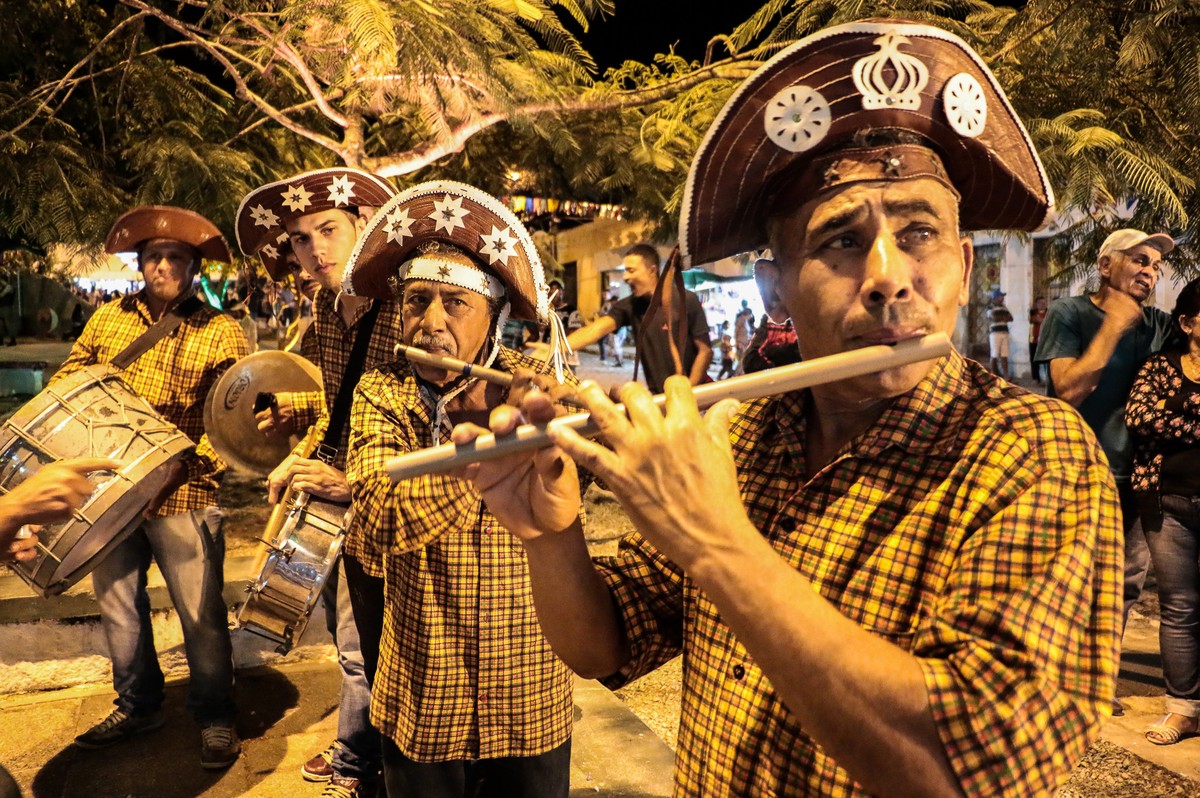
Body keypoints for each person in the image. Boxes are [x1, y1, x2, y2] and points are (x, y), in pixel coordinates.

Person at [458, 20, 1120, 796]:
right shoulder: (746, 436)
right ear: (778, 287)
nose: (888, 277)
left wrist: (715, 541)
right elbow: (607, 643)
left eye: (919, 233)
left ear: (964, 265)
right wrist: (552, 533)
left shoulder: (1033, 451)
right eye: (841, 240)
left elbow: (957, 771)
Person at [342, 180, 576, 797]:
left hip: (528, 689)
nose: (431, 323)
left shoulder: (534, 390)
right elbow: (376, 516)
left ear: (495, 316)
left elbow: (600, 484)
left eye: (456, 304)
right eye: (417, 302)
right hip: (424, 691)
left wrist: (580, 433)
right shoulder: (381, 392)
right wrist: (484, 449)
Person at [62, 206, 250, 769]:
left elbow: (233, 414)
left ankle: (215, 716)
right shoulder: (107, 320)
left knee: (201, 614)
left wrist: (198, 466)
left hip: (184, 494)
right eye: (154, 257)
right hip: (112, 491)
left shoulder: (220, 329)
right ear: (140, 263)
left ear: (193, 267)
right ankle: (138, 704)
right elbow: (71, 375)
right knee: (118, 606)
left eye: (175, 258)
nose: (163, 265)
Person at [236, 166, 399, 798]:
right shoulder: (328, 307)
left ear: (364, 225)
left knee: (371, 640)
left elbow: (430, 419)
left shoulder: (408, 300)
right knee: (349, 632)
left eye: (328, 229)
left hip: (391, 498)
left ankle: (368, 761)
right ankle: (366, 749)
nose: (316, 250)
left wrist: (349, 477)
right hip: (341, 493)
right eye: (302, 239)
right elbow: (346, 398)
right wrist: (302, 419)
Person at [1035, 226, 1174, 716]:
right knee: (1069, 577)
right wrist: (1113, 326)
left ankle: (1095, 680)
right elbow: (1067, 389)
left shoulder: (1158, 324)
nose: (1148, 271)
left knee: (1125, 584)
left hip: (1137, 478)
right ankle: (1049, 677)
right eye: (1138, 259)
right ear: (1105, 265)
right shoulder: (1069, 313)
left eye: (1155, 265)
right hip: (1077, 469)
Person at [1125, 277, 1200, 746]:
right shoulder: (1158, 366)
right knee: (1180, 608)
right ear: (1189, 323)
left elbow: (1162, 419)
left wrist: (1181, 413)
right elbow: (1139, 417)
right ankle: (1183, 710)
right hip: (1166, 503)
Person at [545, 244, 712, 392]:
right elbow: (597, 329)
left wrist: (690, 390)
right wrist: (556, 349)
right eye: (625, 270)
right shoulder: (630, 305)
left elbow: (705, 351)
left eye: (631, 270)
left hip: (693, 395)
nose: (625, 277)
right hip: (659, 396)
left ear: (652, 270)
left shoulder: (686, 300)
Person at [986, 289, 1014, 379]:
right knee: (994, 355)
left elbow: (1011, 318)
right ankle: (993, 375)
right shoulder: (990, 307)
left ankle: (1006, 376)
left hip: (1004, 332)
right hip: (995, 333)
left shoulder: (1004, 307)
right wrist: (1003, 317)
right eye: (1000, 296)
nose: (1002, 298)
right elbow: (994, 318)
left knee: (1004, 355)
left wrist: (1001, 317)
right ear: (995, 297)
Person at [1029, 295, 1048, 384]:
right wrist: (1042, 320)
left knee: (1046, 360)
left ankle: (1047, 378)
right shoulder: (1032, 312)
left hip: (1046, 340)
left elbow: (1044, 321)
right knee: (1034, 359)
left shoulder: (1049, 312)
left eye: (1044, 302)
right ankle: (1036, 378)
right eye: (1040, 303)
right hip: (1034, 340)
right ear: (1036, 304)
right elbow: (1033, 319)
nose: (1042, 304)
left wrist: (1041, 320)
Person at [733, 298, 754, 374]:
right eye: (750, 315)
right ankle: (737, 374)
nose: (750, 316)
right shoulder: (740, 320)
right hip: (741, 343)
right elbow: (736, 331)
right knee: (742, 360)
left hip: (744, 342)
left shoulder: (745, 321)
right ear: (747, 314)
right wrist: (737, 342)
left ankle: (739, 374)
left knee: (743, 359)